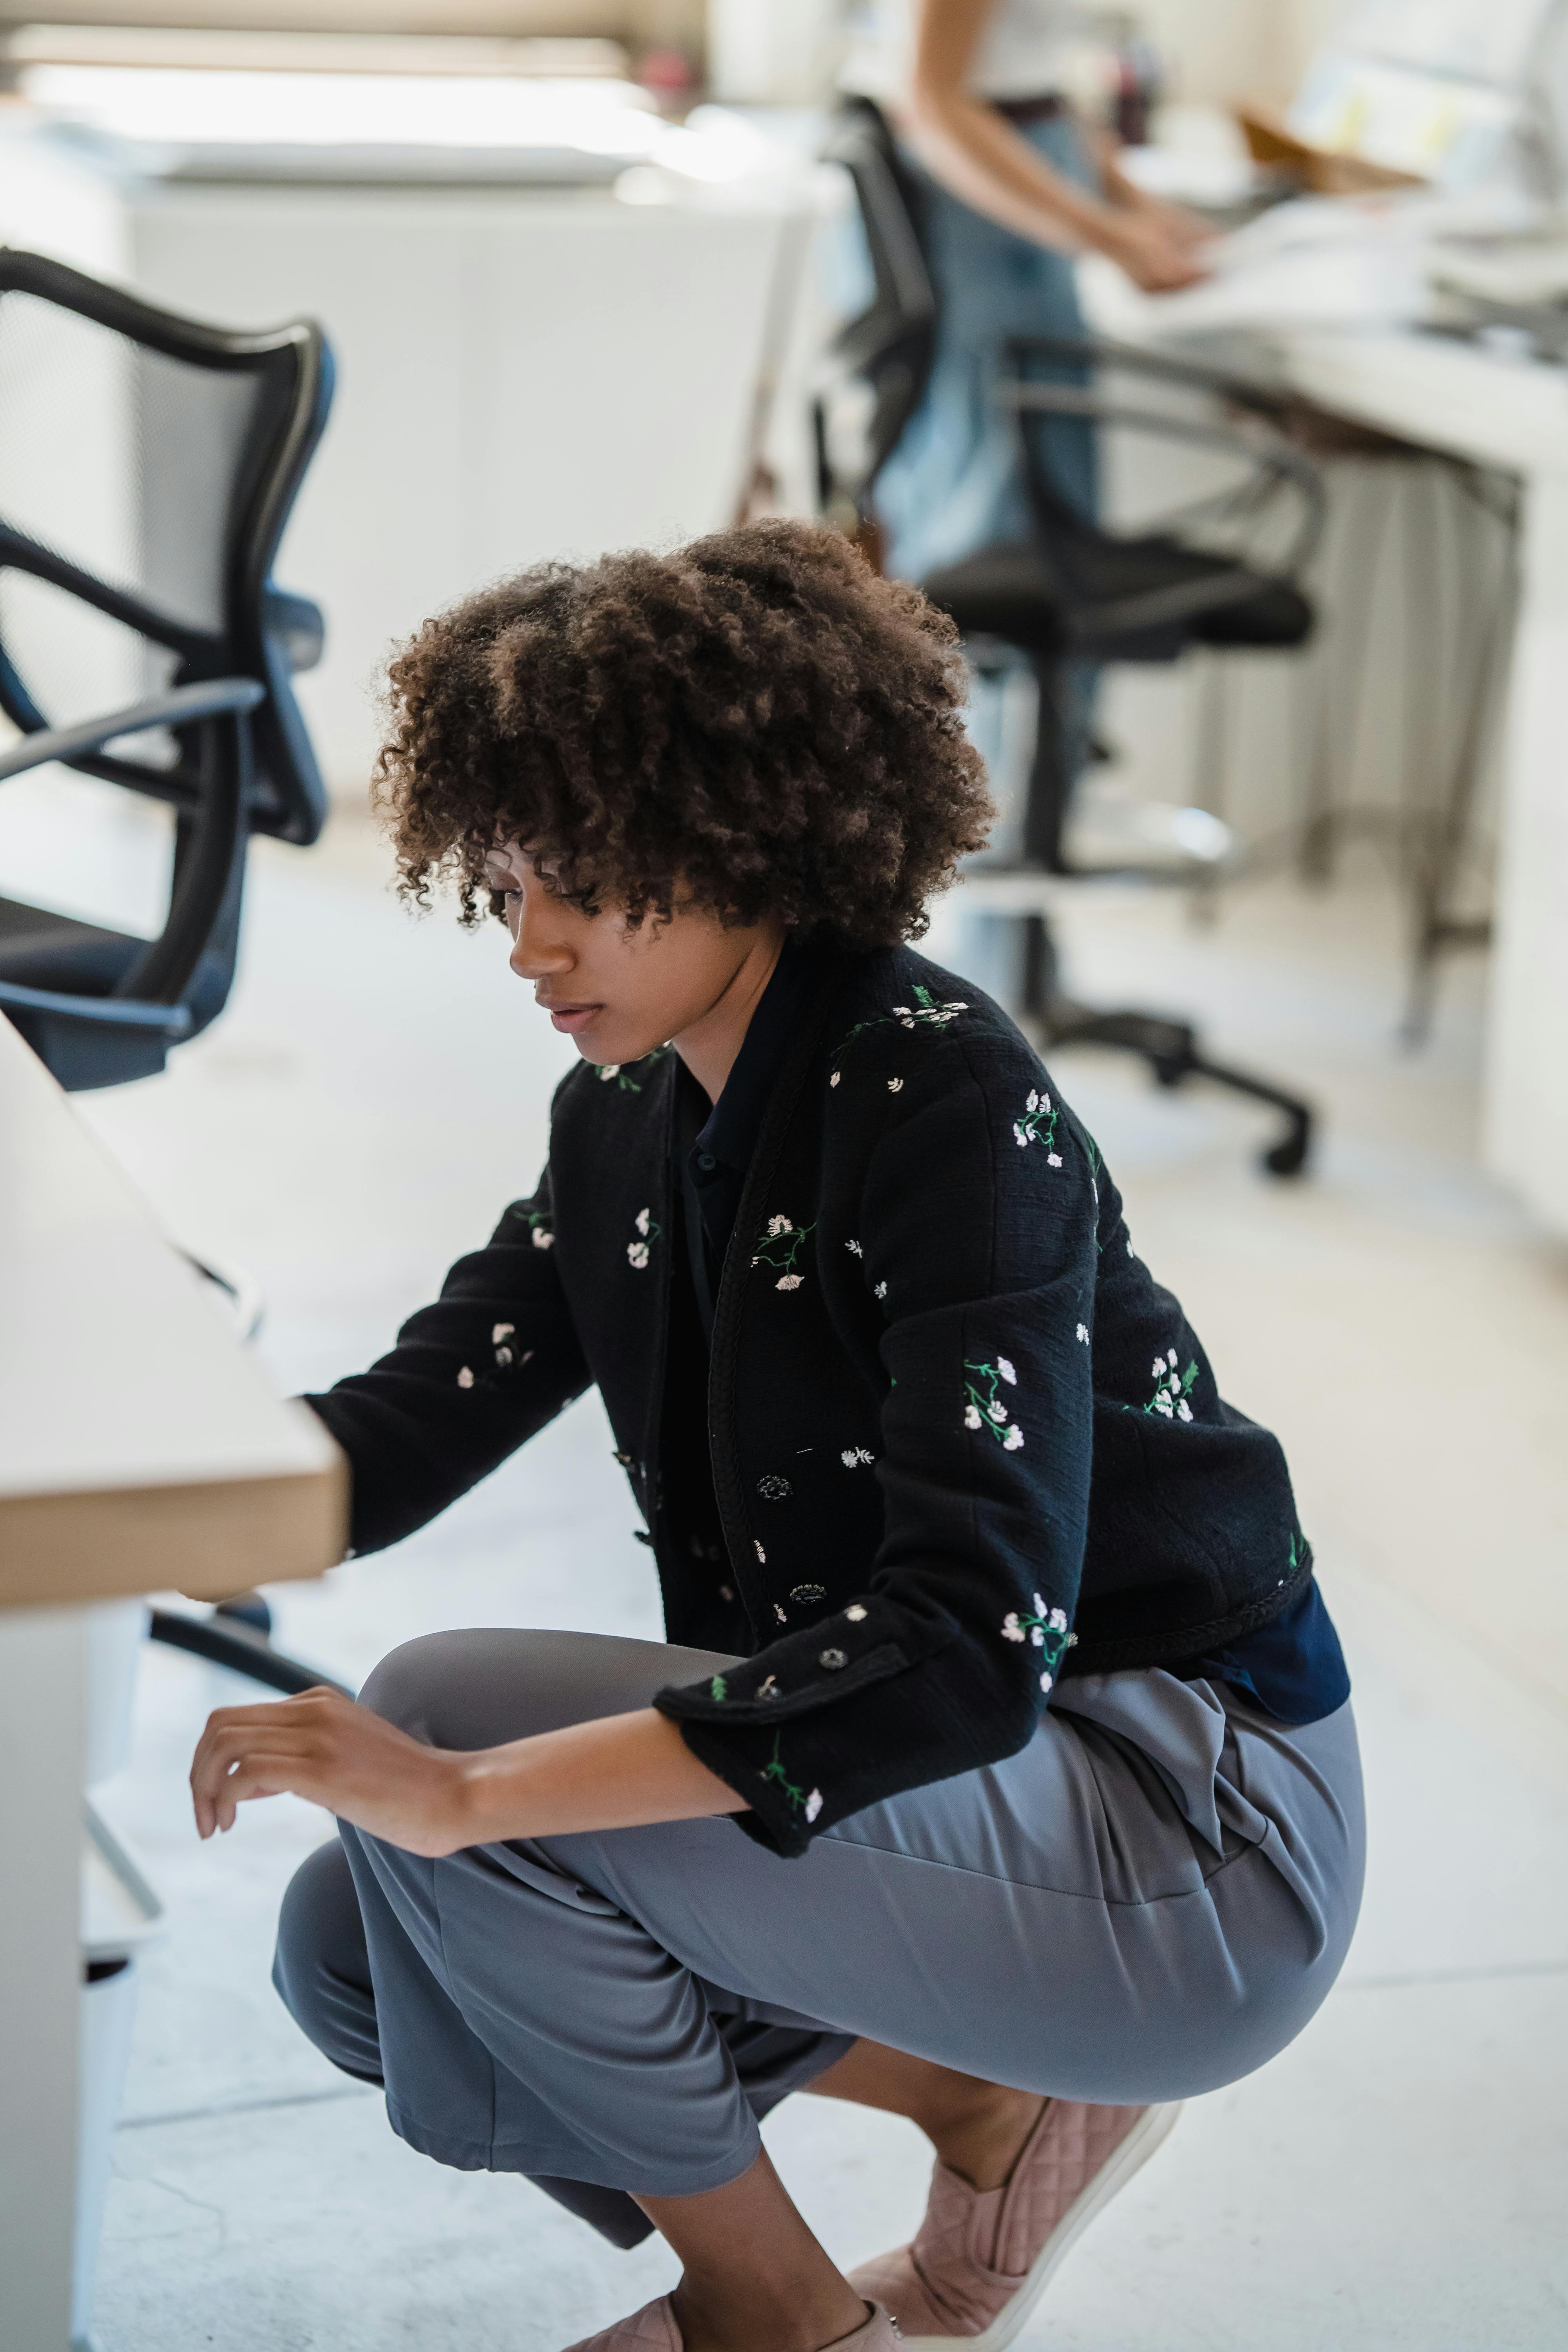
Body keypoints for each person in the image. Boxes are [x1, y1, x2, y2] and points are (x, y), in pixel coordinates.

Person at [191, 521, 1363, 2352]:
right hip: (944, 1811)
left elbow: (966, 1654)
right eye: (505, 878)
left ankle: (776, 2319)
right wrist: (103, 1472)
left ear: (747, 835)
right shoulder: (623, 1126)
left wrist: (470, 1788)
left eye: (584, 876)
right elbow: (385, 1443)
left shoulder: (939, 1084)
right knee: (355, 1942)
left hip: (1187, 1827)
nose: (530, 942)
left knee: (439, 1741)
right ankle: (977, 2095)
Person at [839, 0, 1211, 579]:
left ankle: (1028, 667)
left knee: (1048, 500)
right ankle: (970, 672)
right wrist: (1111, 237)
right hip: (969, 197)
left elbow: (1036, 78)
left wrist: (1134, 206)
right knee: (984, 515)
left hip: (1027, 172)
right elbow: (932, 99)